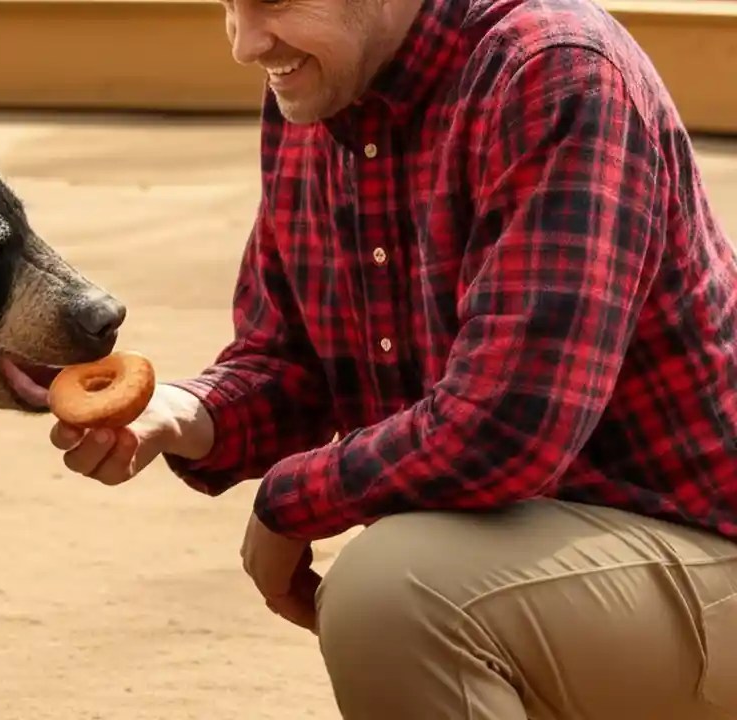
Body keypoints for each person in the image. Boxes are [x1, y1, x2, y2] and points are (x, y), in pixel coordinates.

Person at [48, 0, 737, 716]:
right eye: (229, 4)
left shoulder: (555, 71)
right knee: (408, 576)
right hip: (559, 561)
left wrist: (289, 502)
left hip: (703, 540)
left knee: (397, 593)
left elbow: (508, 426)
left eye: (275, 3)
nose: (246, 44)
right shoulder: (317, 86)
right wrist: (186, 413)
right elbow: (292, 360)